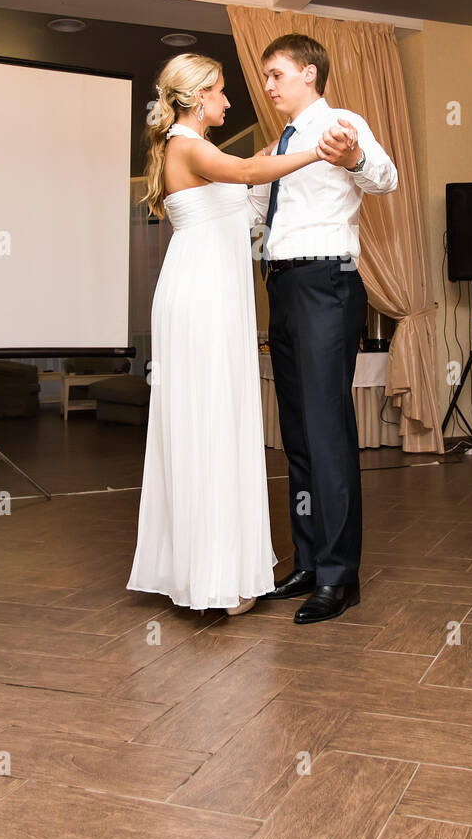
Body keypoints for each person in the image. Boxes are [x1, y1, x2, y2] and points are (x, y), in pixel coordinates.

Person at [126, 52, 343, 616]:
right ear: (199, 98)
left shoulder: (198, 150)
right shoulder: (185, 144)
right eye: (221, 92)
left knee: (214, 420)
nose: (228, 100)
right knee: (208, 421)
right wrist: (314, 151)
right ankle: (213, 578)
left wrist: (286, 142)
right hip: (200, 298)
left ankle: (216, 569)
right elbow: (247, 175)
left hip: (212, 294)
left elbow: (243, 182)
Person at [248, 34, 398, 624]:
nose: (268, 85)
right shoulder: (278, 145)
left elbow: (384, 179)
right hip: (282, 288)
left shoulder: (340, 123)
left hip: (326, 287)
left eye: (276, 73)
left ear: (309, 73)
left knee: (328, 431)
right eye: (266, 76)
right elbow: (258, 215)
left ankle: (340, 577)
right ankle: (309, 562)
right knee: (299, 434)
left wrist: (353, 156)